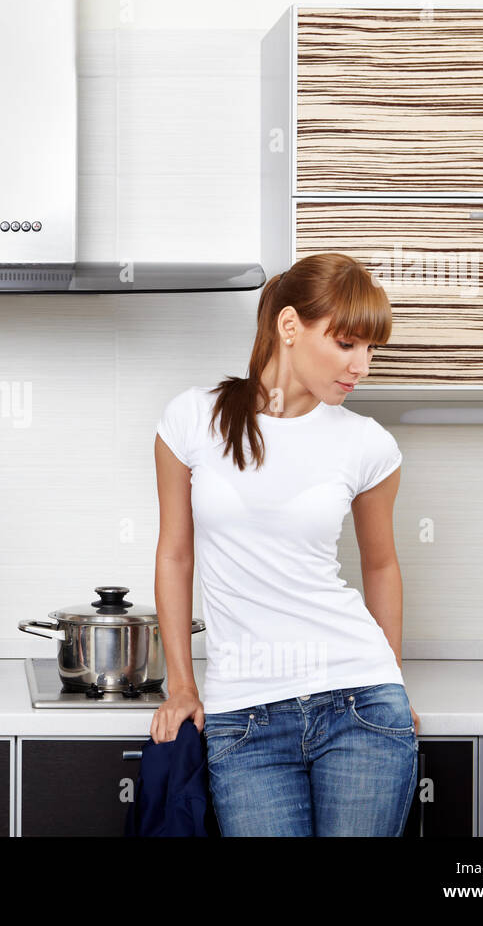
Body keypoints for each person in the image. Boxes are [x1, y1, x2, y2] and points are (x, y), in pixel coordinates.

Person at [148, 252, 418, 837]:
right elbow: (175, 555)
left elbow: (382, 565)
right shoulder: (192, 421)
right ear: (290, 326)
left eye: (371, 350)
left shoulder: (368, 445)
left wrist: (391, 677)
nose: (362, 367)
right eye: (347, 344)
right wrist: (182, 685)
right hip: (243, 715)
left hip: (359, 701)